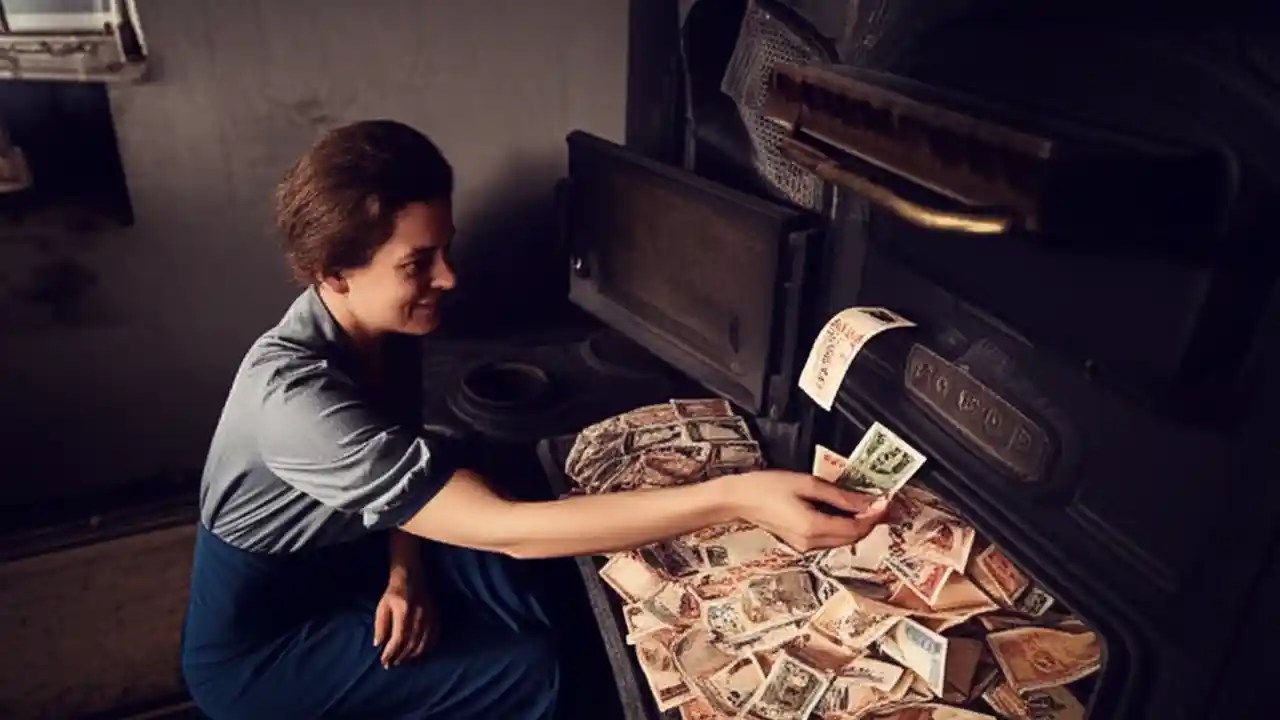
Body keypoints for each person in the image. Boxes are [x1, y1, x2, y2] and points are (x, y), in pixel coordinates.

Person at [179, 119, 889, 720]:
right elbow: (511, 533)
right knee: (536, 668)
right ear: (333, 273)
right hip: (266, 642)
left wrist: (405, 571)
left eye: (446, 249)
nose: (450, 278)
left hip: (355, 560)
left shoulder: (376, 328)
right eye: (418, 263)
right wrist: (736, 494)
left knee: (540, 600)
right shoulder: (298, 406)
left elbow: (402, 462)